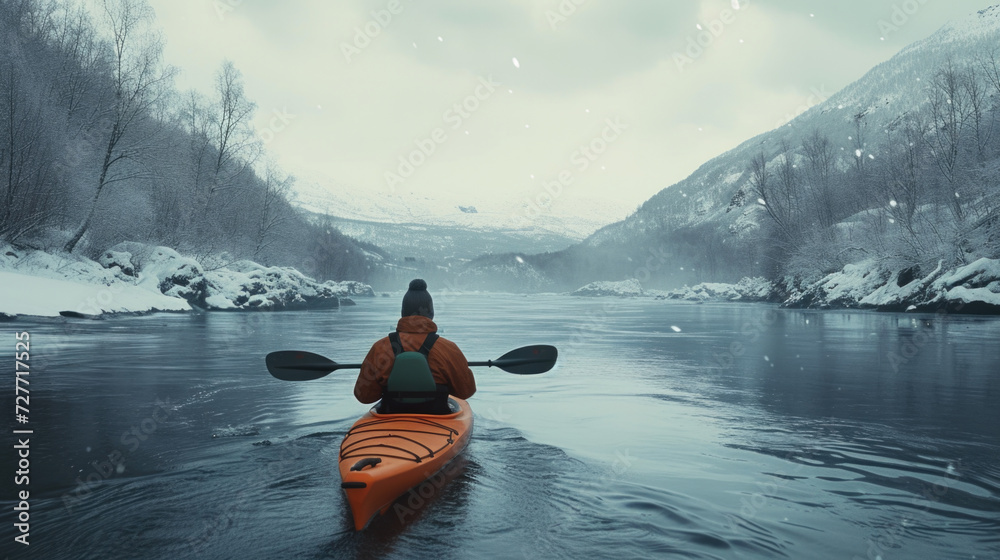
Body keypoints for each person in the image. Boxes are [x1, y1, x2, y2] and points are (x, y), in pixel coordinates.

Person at [354, 279, 476, 413]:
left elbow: (364, 396)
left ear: (403, 312)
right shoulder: (448, 348)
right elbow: (466, 391)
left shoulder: (380, 348)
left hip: (391, 415)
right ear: (431, 313)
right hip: (438, 416)